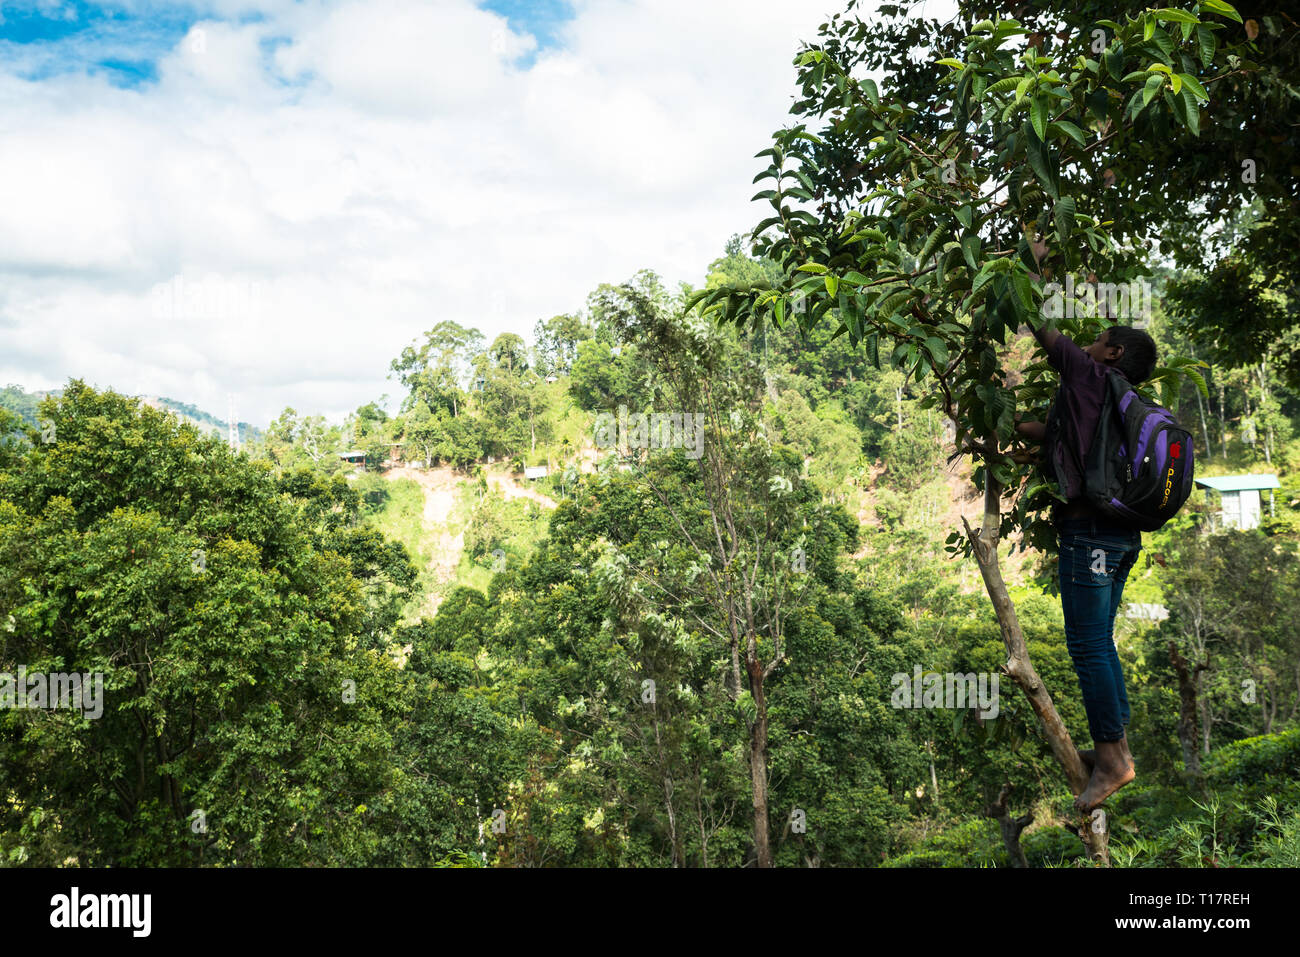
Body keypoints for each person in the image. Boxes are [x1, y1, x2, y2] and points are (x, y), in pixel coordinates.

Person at [1016, 322, 1158, 812]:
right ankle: (1112, 751)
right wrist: (1012, 425)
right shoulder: (1116, 404)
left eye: (1097, 340)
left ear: (1112, 353)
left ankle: (1114, 757)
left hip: (1091, 534)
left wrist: (1029, 262)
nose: (1087, 346)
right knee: (1101, 641)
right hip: (1121, 535)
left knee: (1088, 643)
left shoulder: (1092, 375)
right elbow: (1059, 439)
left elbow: (1038, 321)